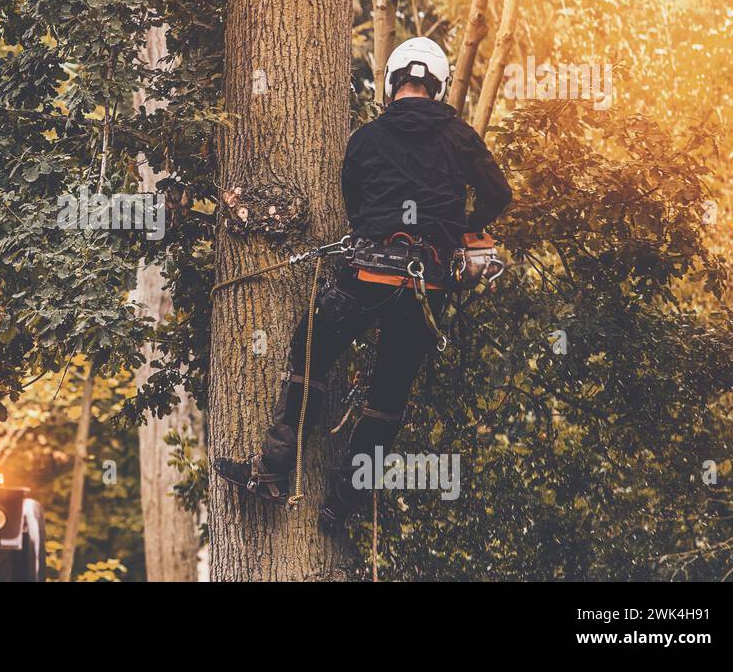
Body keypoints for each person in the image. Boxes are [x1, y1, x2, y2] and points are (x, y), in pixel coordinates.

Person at [213, 36, 513, 531]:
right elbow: (499, 193)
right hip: (427, 288)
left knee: (310, 352)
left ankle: (272, 472)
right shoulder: (460, 137)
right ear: (436, 86)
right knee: (387, 399)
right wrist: (461, 228)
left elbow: (354, 204)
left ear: (394, 80)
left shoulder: (367, 137)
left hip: (369, 274)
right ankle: (343, 503)